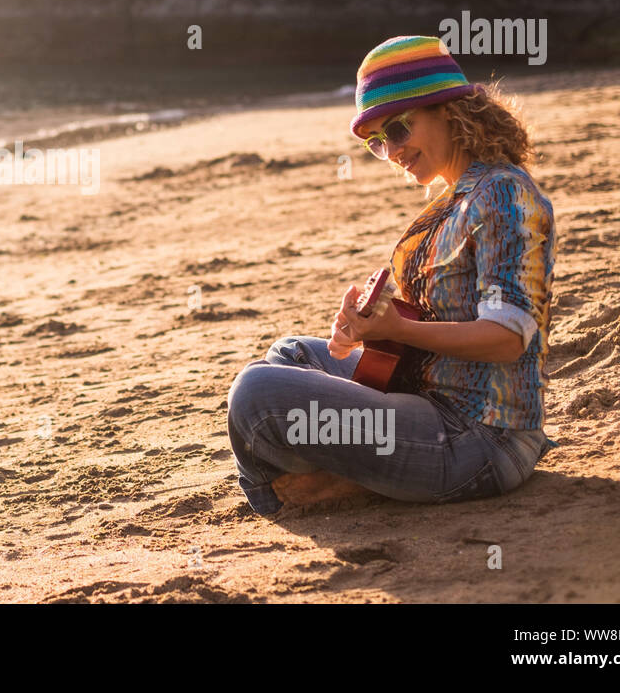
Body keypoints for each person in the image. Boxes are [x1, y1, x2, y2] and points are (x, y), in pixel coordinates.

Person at [226, 34, 557, 515]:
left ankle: (311, 490)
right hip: (429, 394)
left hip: (480, 436)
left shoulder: (502, 196)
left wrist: (398, 328)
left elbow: (508, 339)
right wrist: (369, 331)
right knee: (290, 354)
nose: (392, 151)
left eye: (398, 130)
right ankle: (353, 473)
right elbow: (438, 320)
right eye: (379, 143)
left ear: (448, 110)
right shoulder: (455, 197)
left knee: (257, 394)